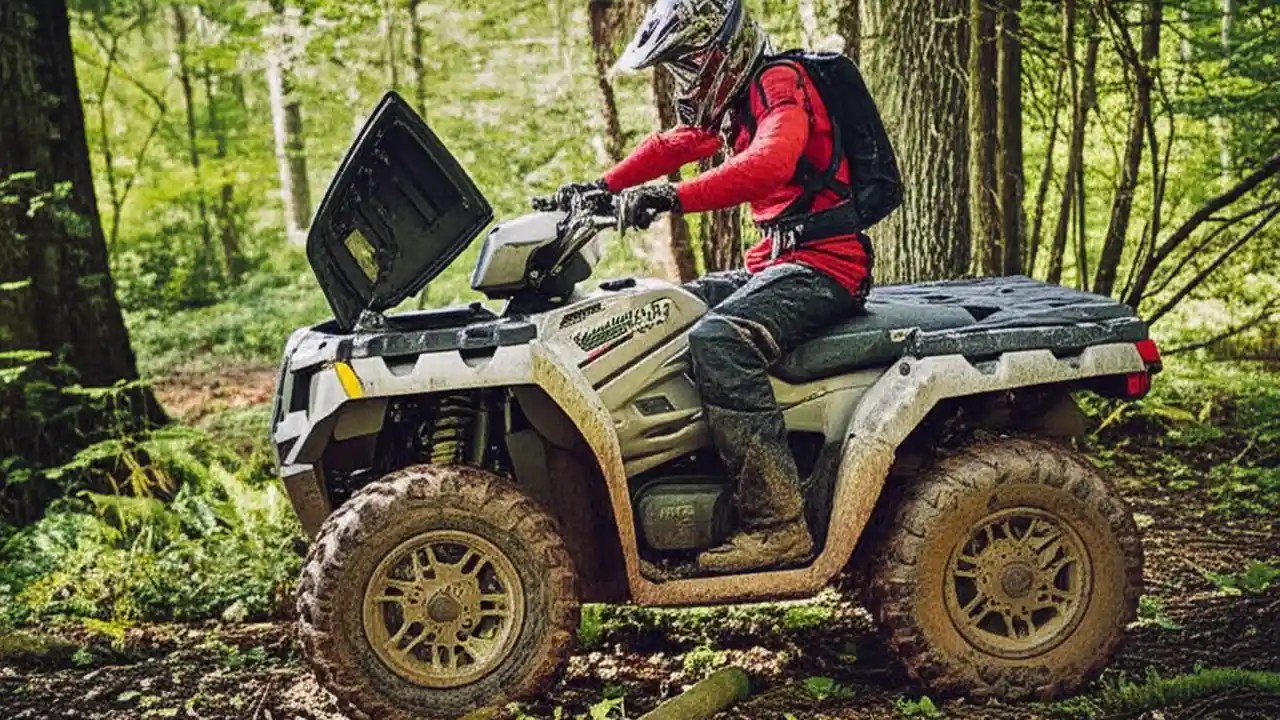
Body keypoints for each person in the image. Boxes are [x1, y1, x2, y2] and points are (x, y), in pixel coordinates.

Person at [549, 0, 875, 574]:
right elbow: (675, 144)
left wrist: (673, 197)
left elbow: (773, 161)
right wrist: (601, 187)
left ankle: (776, 523)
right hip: (774, 264)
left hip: (825, 265)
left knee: (719, 340)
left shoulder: (780, 83)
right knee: (669, 312)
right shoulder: (737, 100)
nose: (685, 78)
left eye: (690, 61)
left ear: (726, 50)